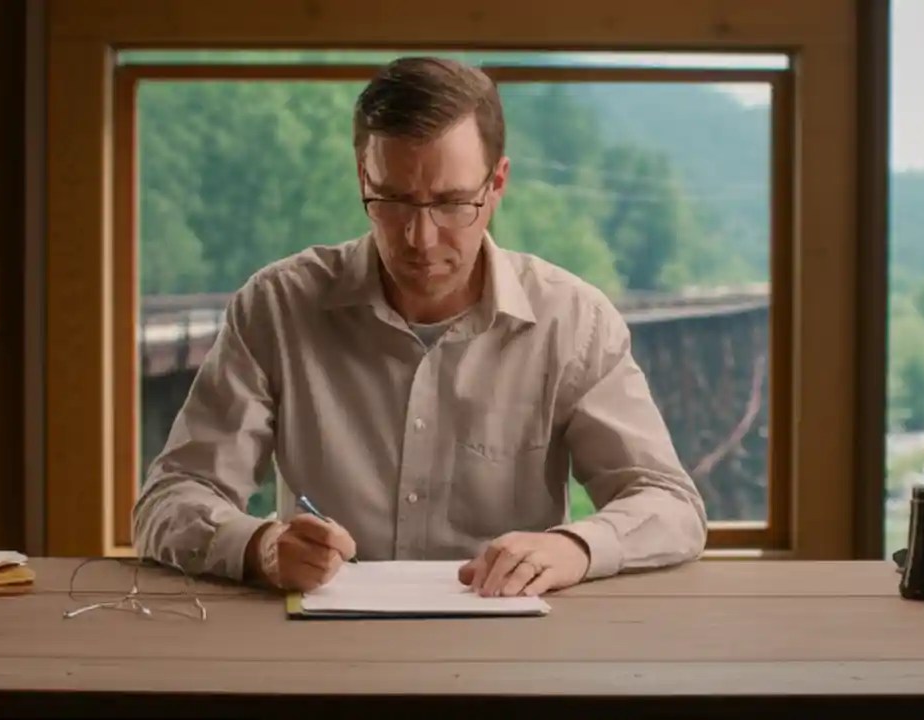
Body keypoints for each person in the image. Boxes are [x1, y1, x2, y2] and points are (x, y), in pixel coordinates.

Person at [133, 56, 708, 598]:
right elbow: (170, 498)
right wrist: (259, 547)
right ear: (363, 177)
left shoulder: (573, 321)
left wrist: (575, 547)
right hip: (324, 646)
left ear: (497, 184)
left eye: (453, 203)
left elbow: (670, 504)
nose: (420, 239)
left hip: (509, 646)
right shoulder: (277, 307)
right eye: (394, 201)